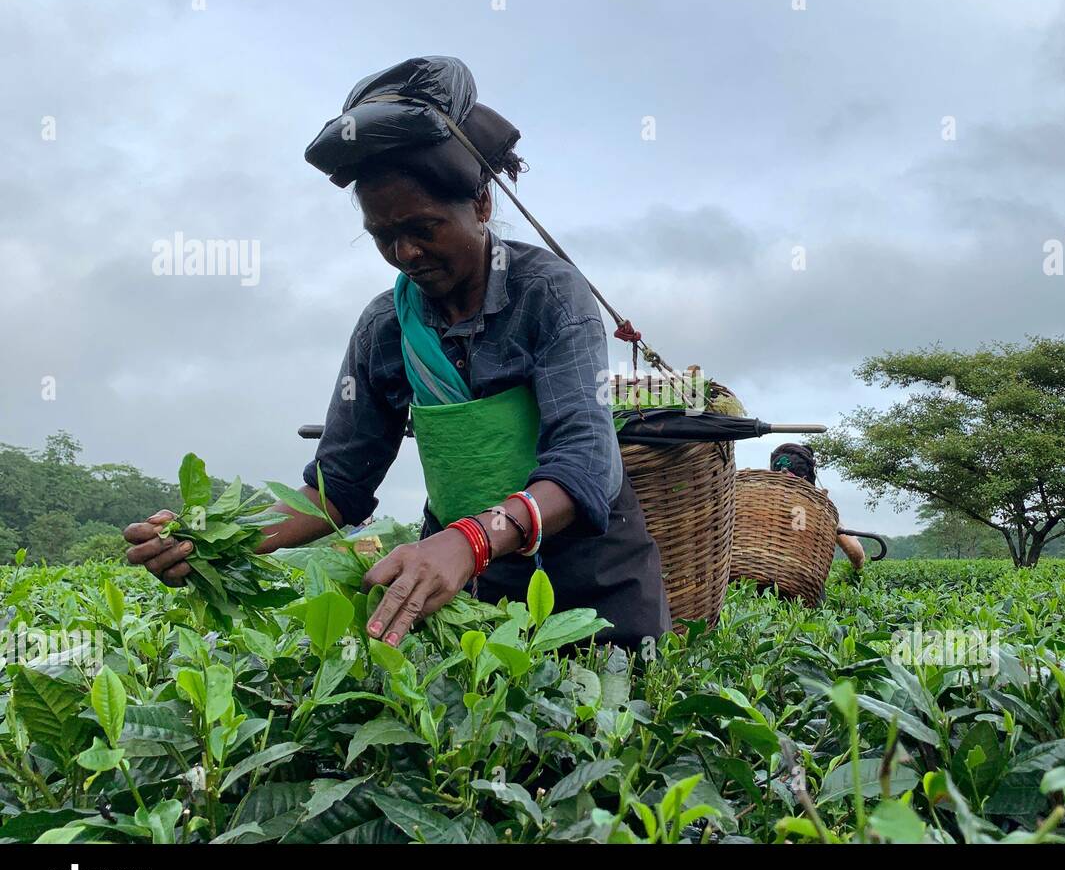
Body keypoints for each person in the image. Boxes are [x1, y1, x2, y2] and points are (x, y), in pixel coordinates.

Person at [123, 56, 671, 649]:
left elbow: (586, 460)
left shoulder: (546, 292)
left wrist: (471, 540)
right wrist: (214, 535)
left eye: (425, 226)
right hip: (465, 590)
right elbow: (336, 490)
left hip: (595, 584)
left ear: (481, 205)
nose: (405, 252)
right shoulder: (386, 328)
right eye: (384, 235)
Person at [769, 443, 867, 570]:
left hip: (750, 584)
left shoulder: (756, 502)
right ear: (806, 479)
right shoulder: (818, 509)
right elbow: (855, 552)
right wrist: (857, 566)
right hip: (802, 582)